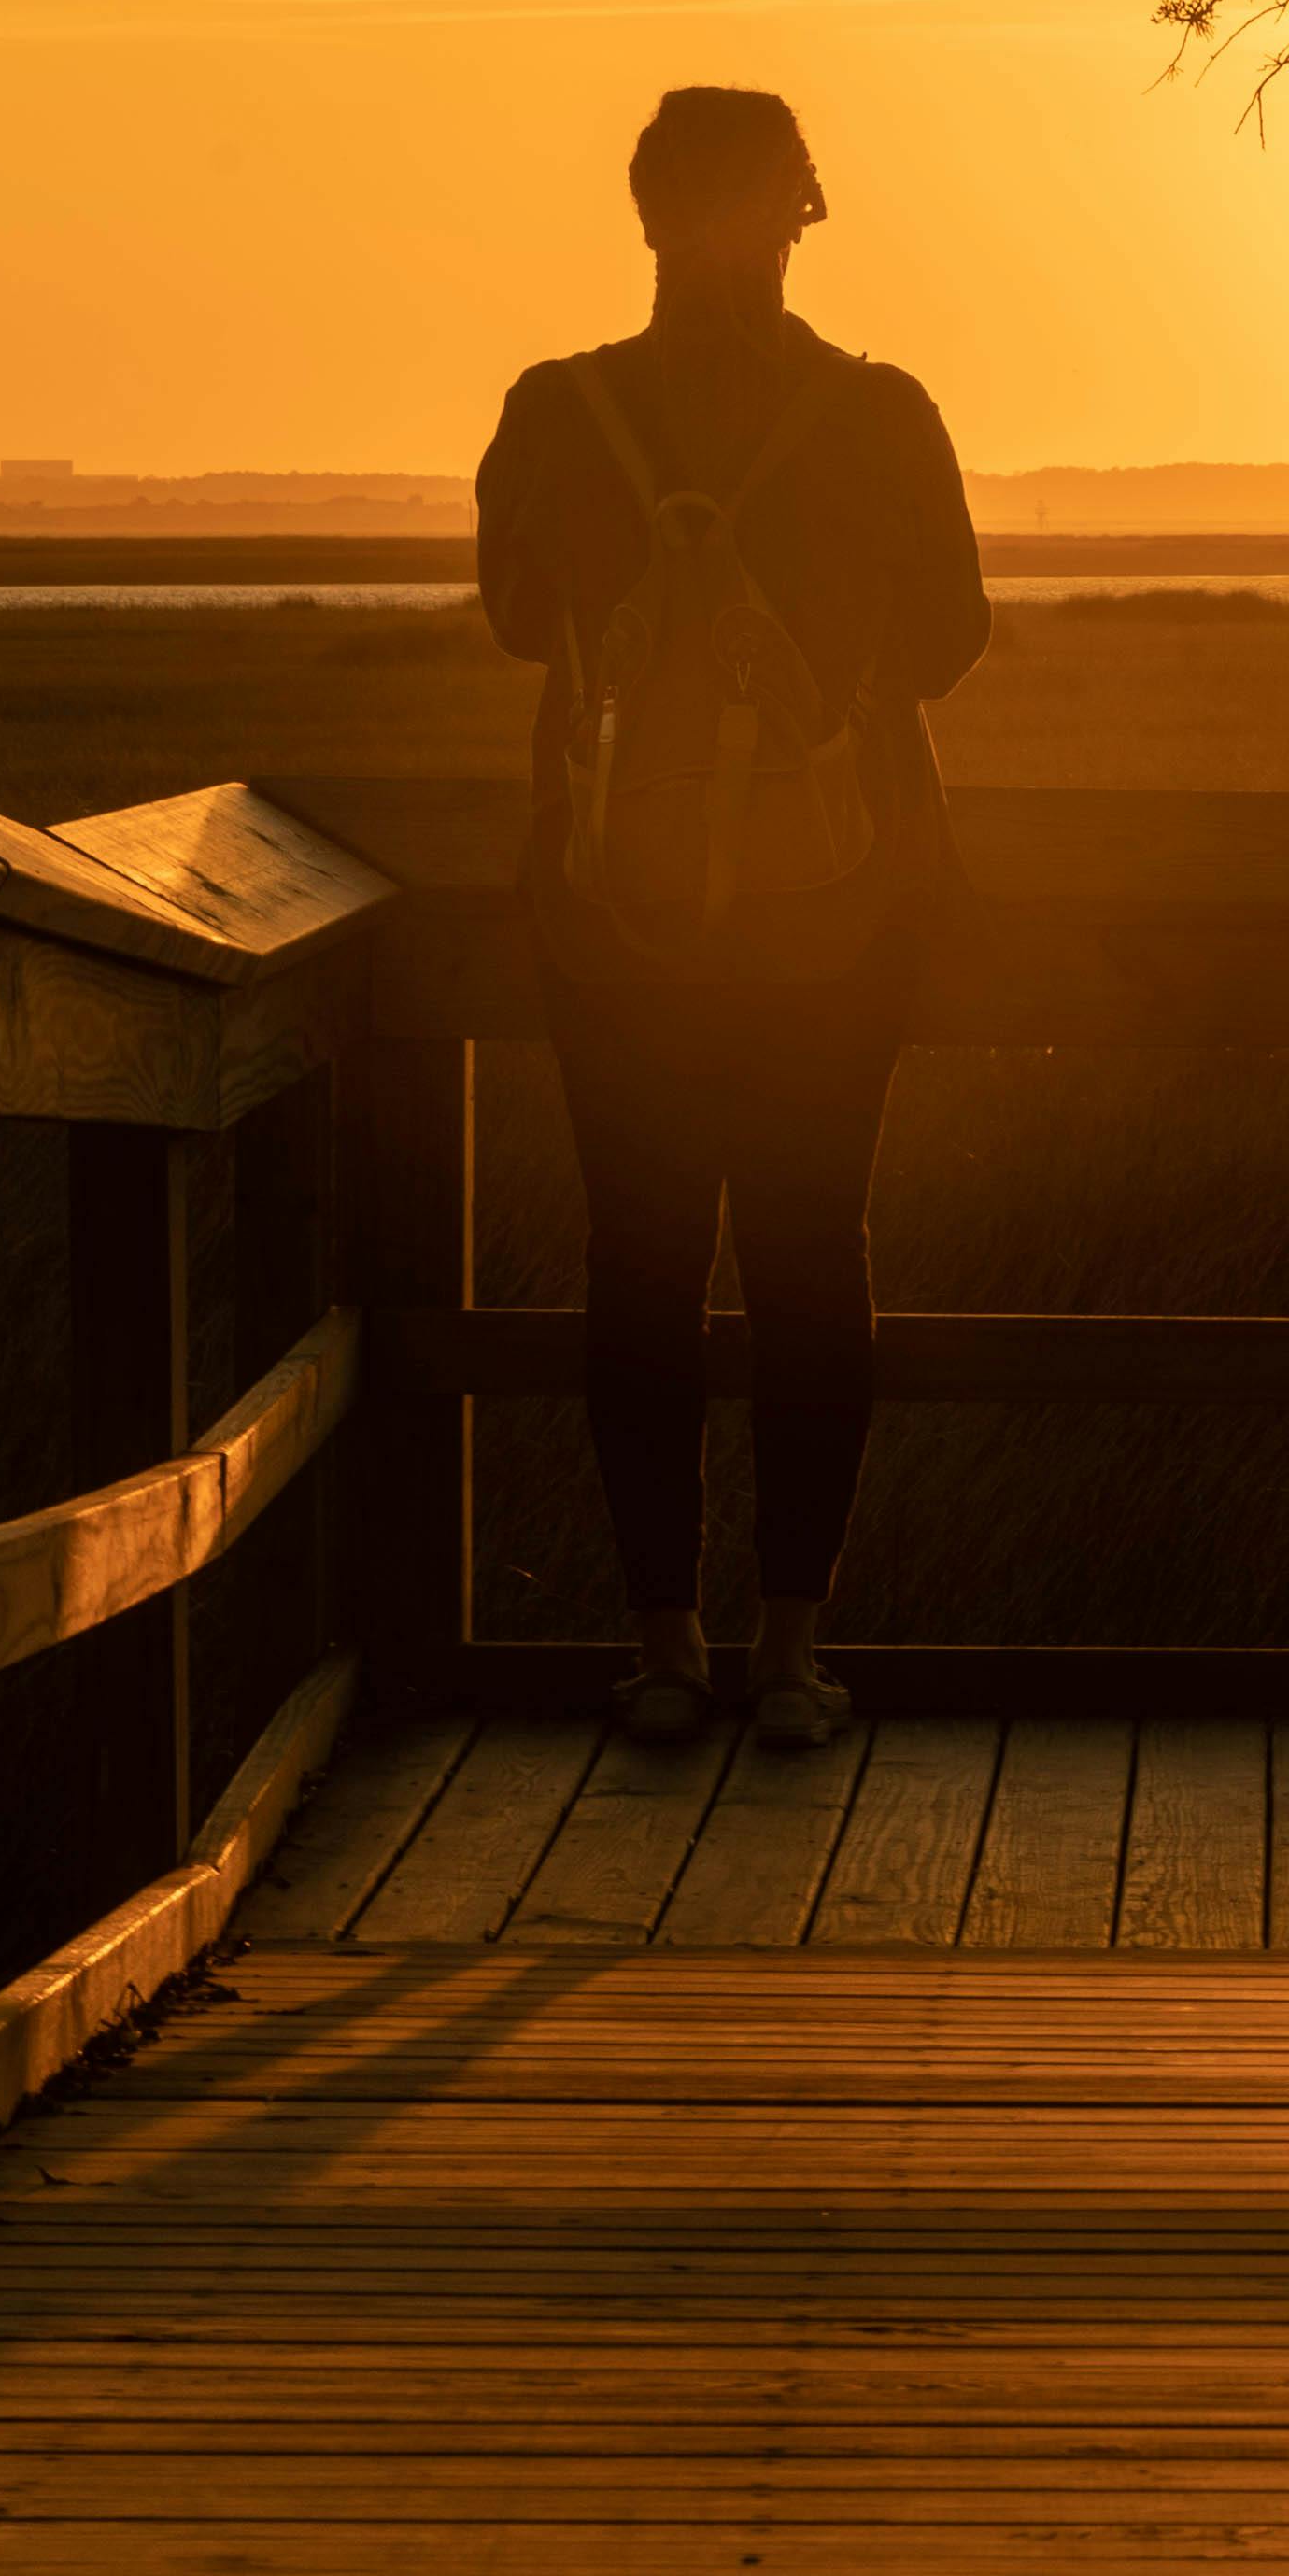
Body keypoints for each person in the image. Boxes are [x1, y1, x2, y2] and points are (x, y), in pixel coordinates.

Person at [475, 87, 987, 1747]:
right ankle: (789, 1658)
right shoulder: (879, 413)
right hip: (838, 913)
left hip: (609, 915)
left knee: (638, 1269)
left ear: (641, 218)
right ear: (802, 211)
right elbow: (947, 645)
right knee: (807, 1264)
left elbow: (508, 625)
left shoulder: (556, 411)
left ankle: (657, 1651)